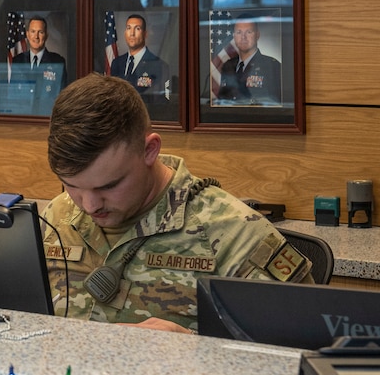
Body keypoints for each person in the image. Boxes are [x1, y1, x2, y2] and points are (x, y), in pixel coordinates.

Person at [42, 75, 311, 333]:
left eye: (109, 186)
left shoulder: (233, 232)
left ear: (150, 150)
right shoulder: (58, 216)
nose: (89, 205)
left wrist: (197, 348)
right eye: (72, 185)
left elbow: (304, 348)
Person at [8, 16, 68, 115]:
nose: (36, 36)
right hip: (22, 118)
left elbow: (62, 97)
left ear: (46, 35)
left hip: (47, 118)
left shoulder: (57, 62)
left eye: (40, 32)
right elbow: (13, 95)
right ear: (27, 34)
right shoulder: (17, 61)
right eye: (33, 31)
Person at [216, 16, 282, 104]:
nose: (243, 37)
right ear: (234, 36)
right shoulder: (228, 66)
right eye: (239, 32)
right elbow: (222, 100)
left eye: (249, 32)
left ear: (257, 35)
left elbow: (276, 103)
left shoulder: (272, 66)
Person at [109, 14, 171, 104]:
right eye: (128, 28)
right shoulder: (117, 63)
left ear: (145, 34)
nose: (132, 33)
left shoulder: (159, 65)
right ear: (125, 32)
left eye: (137, 28)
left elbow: (164, 100)